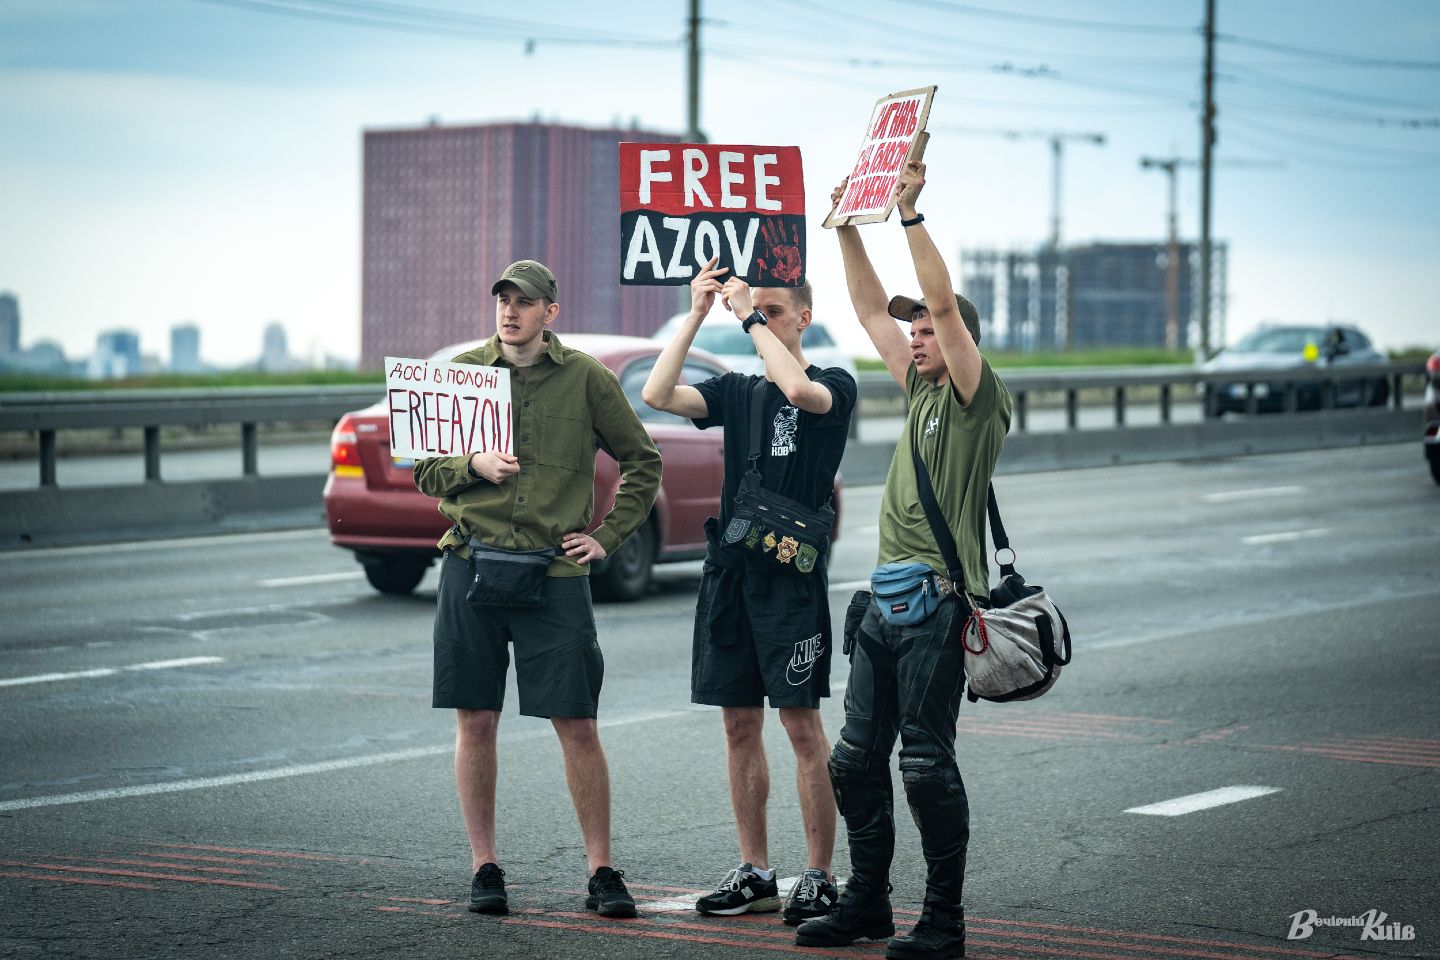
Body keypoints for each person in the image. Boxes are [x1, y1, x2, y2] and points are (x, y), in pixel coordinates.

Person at [794, 163, 1011, 960]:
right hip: (884, 604)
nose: (917, 338)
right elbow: (864, 307)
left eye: (928, 332)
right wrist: (847, 224)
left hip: (941, 606)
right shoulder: (918, 390)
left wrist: (909, 215)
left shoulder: (975, 396)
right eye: (912, 332)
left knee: (923, 763)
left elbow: (946, 306)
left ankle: (944, 925)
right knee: (854, 762)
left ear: (958, 345)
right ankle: (867, 903)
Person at [414, 259, 662, 920]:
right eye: (503, 299)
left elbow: (643, 459)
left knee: (577, 721)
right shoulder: (465, 373)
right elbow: (426, 471)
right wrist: (473, 463)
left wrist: (607, 539)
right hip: (472, 562)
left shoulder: (586, 378)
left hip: (555, 570)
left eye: (524, 302)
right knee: (476, 718)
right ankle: (484, 867)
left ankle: (602, 870)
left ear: (550, 312)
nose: (510, 311)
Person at [642, 258, 856, 926]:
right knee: (738, 724)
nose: (758, 315)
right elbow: (657, 391)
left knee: (800, 726)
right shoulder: (736, 391)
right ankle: (757, 870)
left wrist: (750, 314)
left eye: (773, 308)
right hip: (731, 573)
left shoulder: (832, 385)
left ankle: (819, 873)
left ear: (802, 316)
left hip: (790, 579)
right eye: (756, 308)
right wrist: (700, 310)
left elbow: (795, 389)